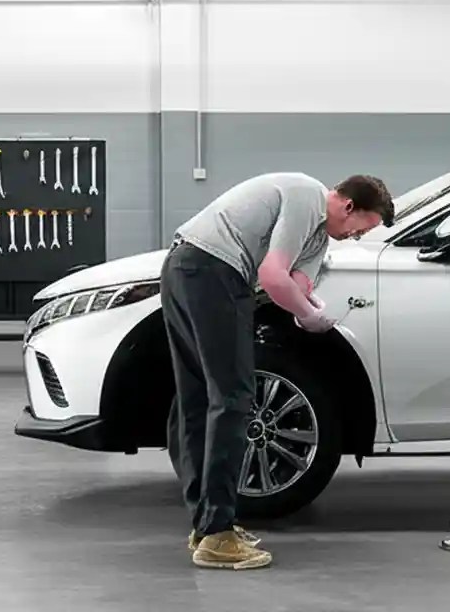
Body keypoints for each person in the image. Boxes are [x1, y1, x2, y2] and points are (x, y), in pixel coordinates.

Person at [160, 172, 393, 570]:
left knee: (200, 398)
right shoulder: (305, 195)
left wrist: (309, 309)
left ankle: (207, 526)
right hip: (212, 271)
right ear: (348, 206)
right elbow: (272, 277)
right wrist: (309, 315)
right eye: (360, 229)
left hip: (187, 270)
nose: (355, 237)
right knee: (233, 399)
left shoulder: (320, 236)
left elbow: (294, 285)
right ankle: (217, 532)